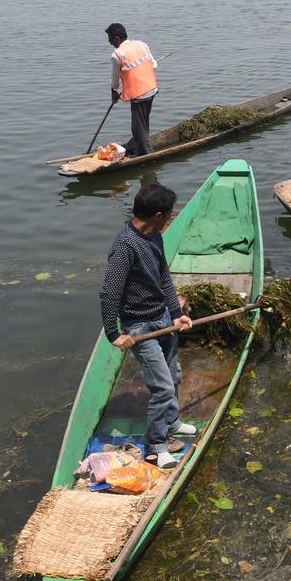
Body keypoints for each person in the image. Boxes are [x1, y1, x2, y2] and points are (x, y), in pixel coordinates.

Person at [100, 183, 195, 469]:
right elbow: (110, 293)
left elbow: (164, 277)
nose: (170, 219)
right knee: (162, 388)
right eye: (169, 215)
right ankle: (156, 447)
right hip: (140, 326)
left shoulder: (154, 236)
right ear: (157, 215)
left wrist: (176, 313)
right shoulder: (125, 247)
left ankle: (172, 422)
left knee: (174, 375)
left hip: (163, 316)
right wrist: (113, 334)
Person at [106, 23, 159, 157]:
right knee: (143, 122)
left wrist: (114, 91)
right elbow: (154, 65)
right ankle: (136, 145)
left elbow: (115, 79)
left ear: (117, 38)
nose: (110, 42)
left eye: (110, 39)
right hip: (151, 88)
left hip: (139, 93)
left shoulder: (117, 55)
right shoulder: (141, 44)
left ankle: (147, 154)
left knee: (137, 127)